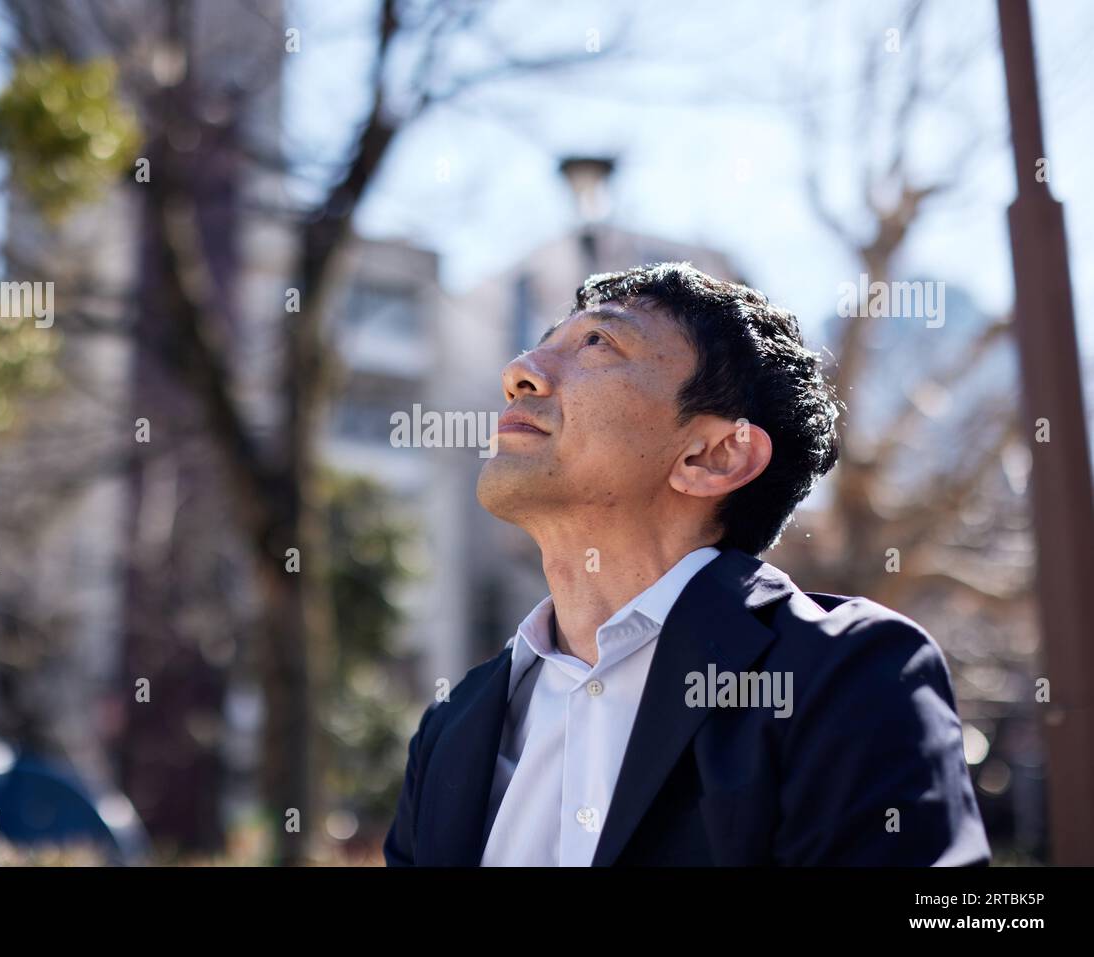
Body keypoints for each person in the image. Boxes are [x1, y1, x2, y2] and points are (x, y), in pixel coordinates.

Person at [383, 262, 990, 866]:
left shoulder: (845, 675)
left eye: (598, 341)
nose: (518, 373)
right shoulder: (451, 729)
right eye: (541, 346)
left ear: (713, 455)